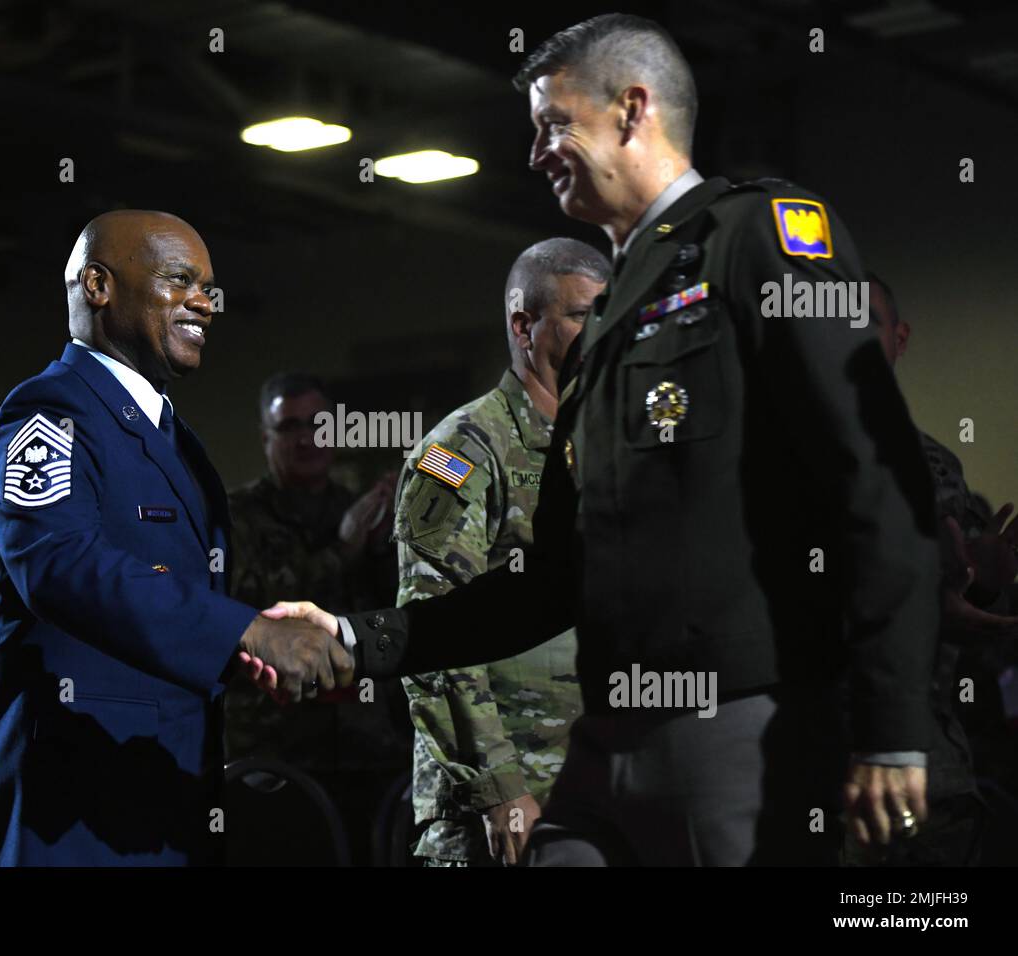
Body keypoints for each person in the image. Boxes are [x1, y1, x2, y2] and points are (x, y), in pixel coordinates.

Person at [248, 14, 942, 865]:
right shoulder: (610, 318)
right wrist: (359, 638)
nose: (536, 152)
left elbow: (879, 480)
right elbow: (550, 584)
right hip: (604, 742)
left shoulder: (758, 239)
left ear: (631, 110)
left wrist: (893, 728)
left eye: (553, 124)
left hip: (732, 728)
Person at [0, 211, 350, 866]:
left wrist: (244, 654)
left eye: (207, 286)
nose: (205, 303)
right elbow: (59, 565)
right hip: (54, 809)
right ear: (99, 285)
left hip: (156, 800)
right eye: (181, 280)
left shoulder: (176, 439)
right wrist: (244, 633)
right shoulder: (50, 410)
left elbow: (168, 609)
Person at [396, 238, 607, 866]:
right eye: (578, 315)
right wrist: (499, 789)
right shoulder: (459, 450)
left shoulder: (600, 445)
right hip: (494, 806)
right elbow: (430, 639)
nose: (598, 332)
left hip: (591, 783)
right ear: (524, 325)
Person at [860, 271, 1018, 865]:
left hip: (920, 762)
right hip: (790, 760)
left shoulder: (931, 463)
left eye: (865, 323)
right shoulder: (758, 455)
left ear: (898, 339)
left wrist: (992, 583)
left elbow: (977, 620)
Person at [226, 371, 406, 863]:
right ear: (266, 438)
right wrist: (343, 550)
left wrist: (391, 540)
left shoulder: (359, 509)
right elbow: (256, 611)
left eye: (318, 423)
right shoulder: (235, 517)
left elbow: (394, 616)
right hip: (274, 753)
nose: (307, 437)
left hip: (366, 752)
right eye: (289, 427)